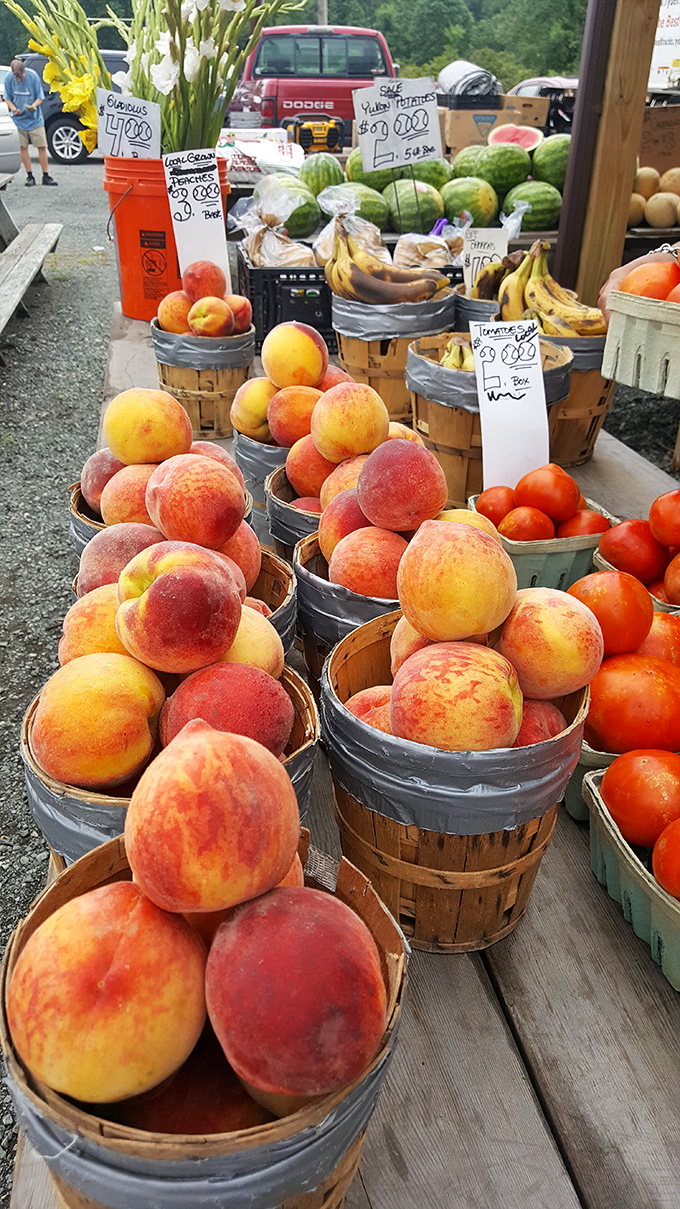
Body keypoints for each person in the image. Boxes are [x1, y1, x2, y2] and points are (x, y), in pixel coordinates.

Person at [4, 58, 57, 187]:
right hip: (18, 119)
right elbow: (7, 98)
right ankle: (29, 176)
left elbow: (40, 97)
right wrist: (13, 109)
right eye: (15, 76)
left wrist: (33, 106)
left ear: (24, 71)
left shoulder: (32, 76)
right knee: (23, 147)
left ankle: (46, 175)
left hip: (34, 119)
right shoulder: (8, 78)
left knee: (41, 146)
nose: (18, 79)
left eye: (20, 76)